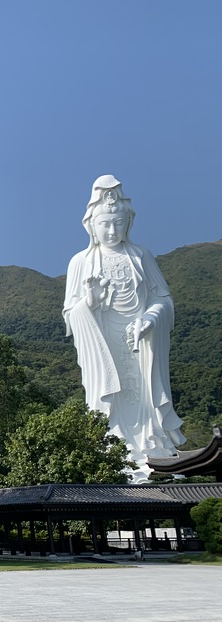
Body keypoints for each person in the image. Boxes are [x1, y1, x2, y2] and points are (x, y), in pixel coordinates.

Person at [63, 175, 185, 480]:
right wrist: (89, 302)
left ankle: (152, 449)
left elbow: (163, 299)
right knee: (111, 398)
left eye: (118, 223)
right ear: (91, 226)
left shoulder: (141, 256)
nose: (112, 231)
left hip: (142, 344)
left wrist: (150, 319)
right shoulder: (80, 262)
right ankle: (113, 448)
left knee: (144, 397)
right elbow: (70, 313)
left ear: (128, 222)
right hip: (104, 342)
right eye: (105, 224)